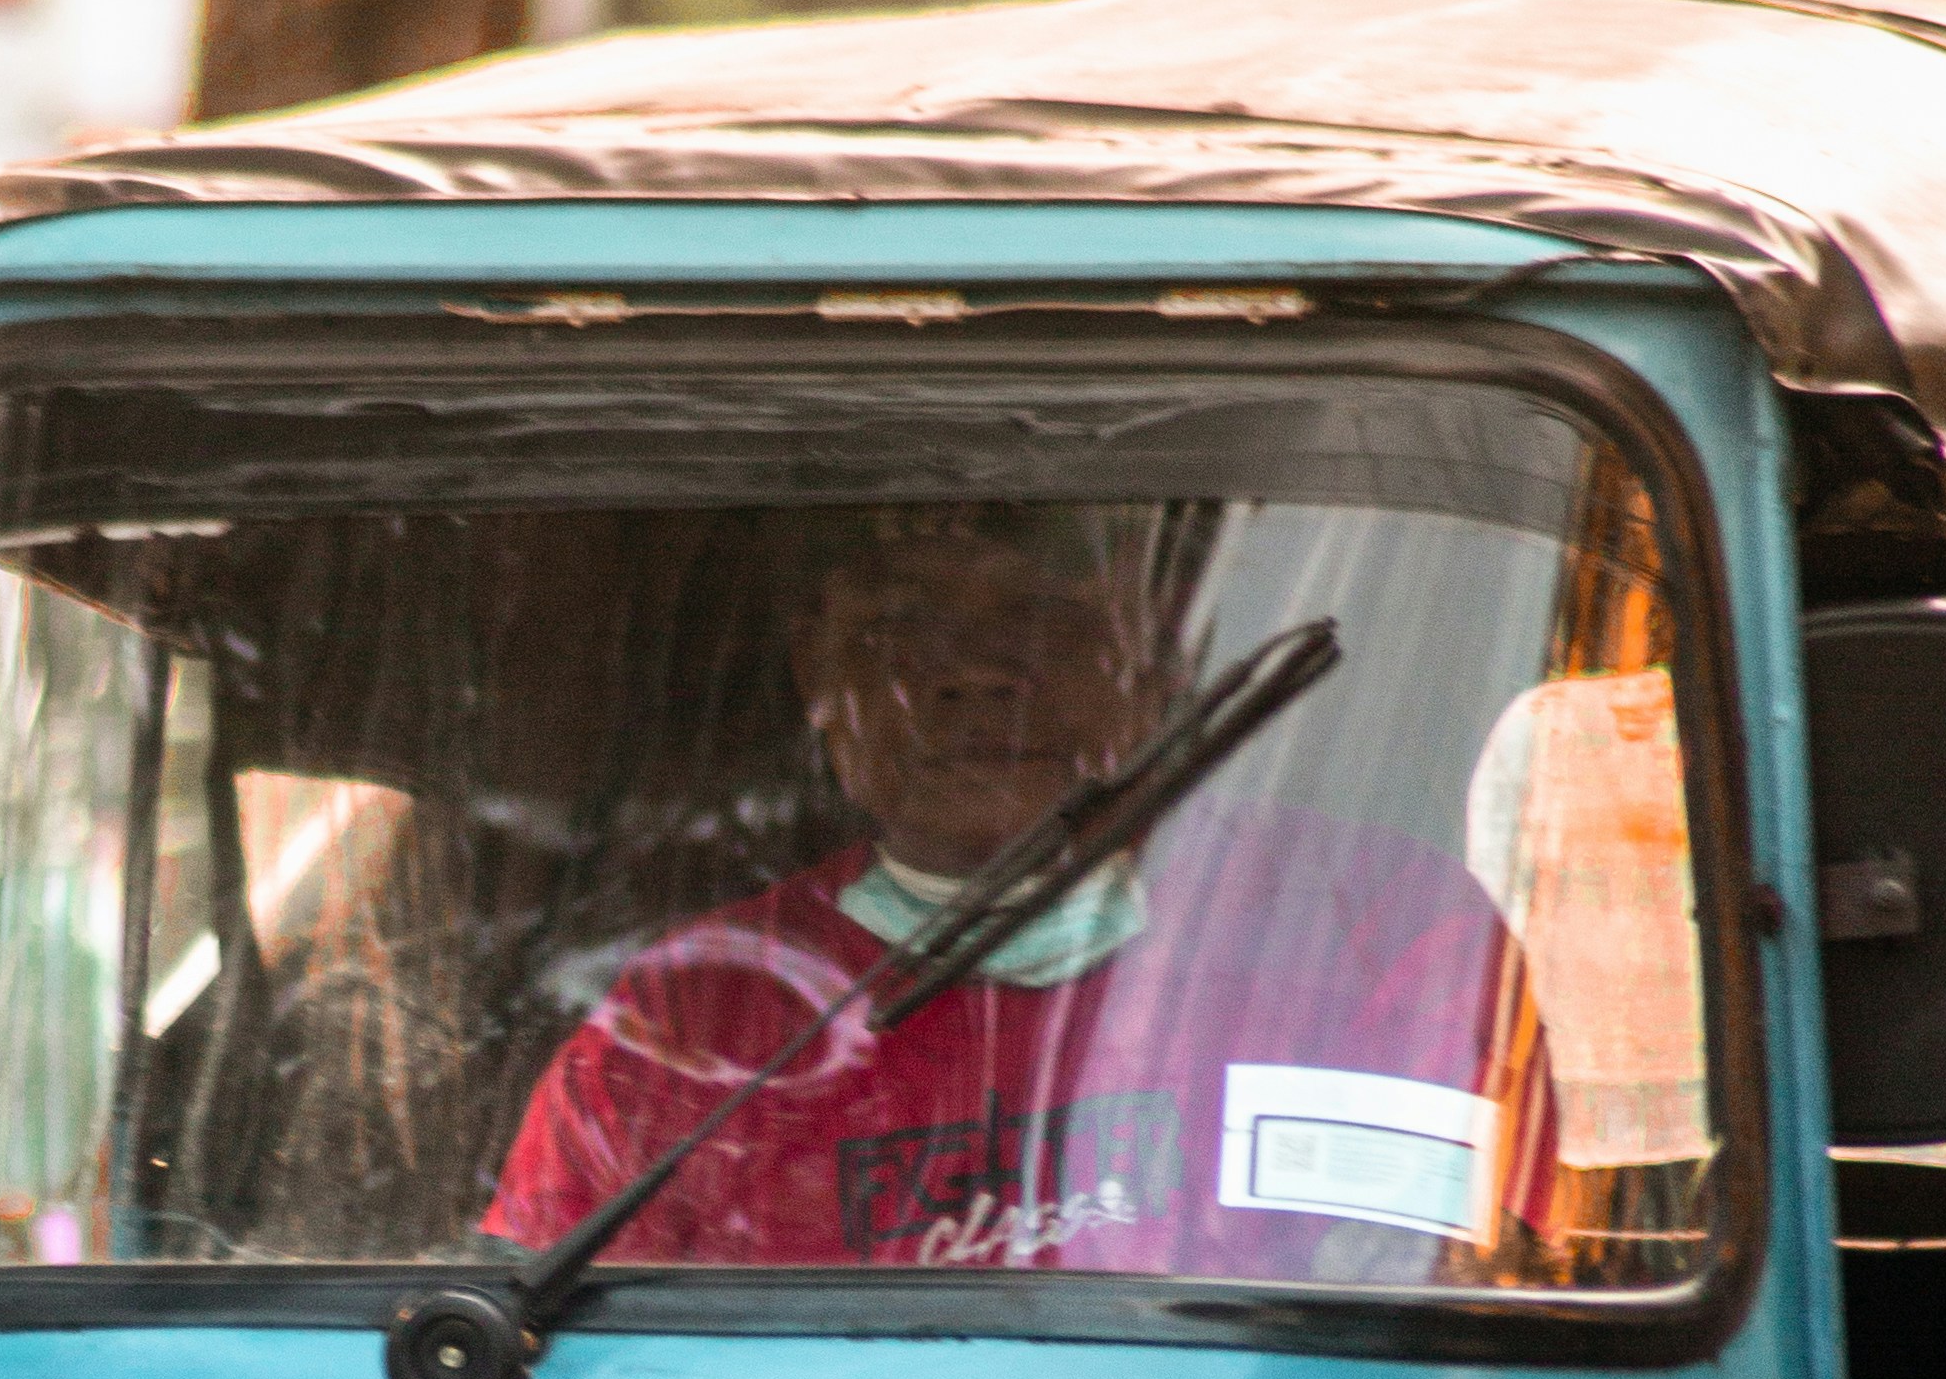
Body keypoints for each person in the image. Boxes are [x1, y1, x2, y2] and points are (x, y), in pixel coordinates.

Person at [482, 504, 1559, 1282]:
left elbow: (1462, 1330)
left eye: (1049, 613)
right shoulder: (683, 1025)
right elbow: (562, 1372)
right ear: (819, 672)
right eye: (903, 623)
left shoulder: (1385, 933)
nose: (976, 675)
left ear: (1161, 650)